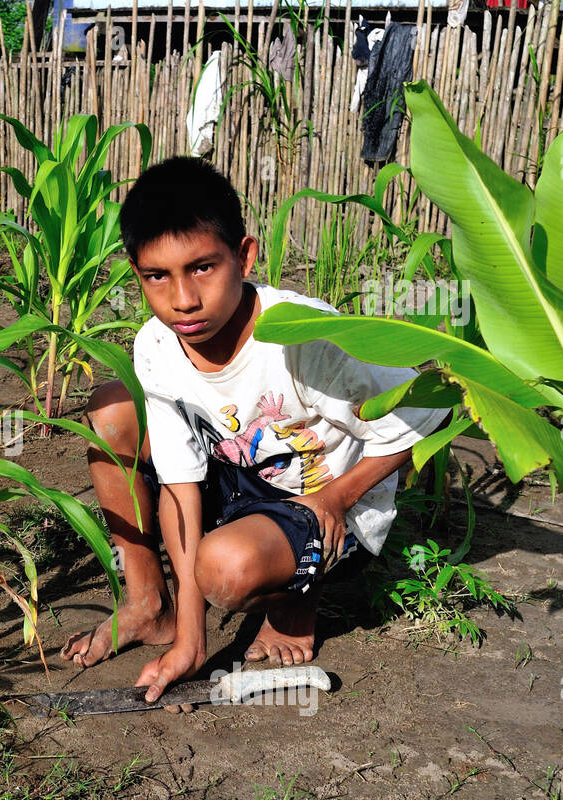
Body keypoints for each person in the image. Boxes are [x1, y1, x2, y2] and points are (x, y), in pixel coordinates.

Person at [61, 156, 450, 705]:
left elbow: (429, 411)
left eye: (202, 268)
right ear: (137, 274)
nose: (183, 300)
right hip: (238, 476)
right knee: (110, 413)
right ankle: (150, 606)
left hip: (322, 499)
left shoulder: (300, 335)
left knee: (225, 567)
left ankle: (294, 597)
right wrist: (192, 645)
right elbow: (180, 486)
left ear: (244, 257)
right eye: (158, 276)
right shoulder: (156, 345)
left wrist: (339, 496)